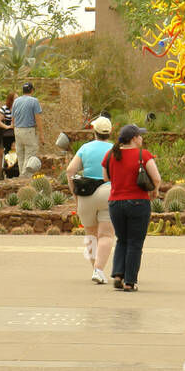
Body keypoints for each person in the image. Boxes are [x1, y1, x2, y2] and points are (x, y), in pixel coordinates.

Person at [102, 123, 161, 292]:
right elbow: (156, 178)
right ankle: (130, 281)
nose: (142, 138)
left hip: (115, 202)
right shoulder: (143, 155)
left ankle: (118, 274)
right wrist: (154, 192)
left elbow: (106, 177)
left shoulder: (111, 154)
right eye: (140, 136)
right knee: (135, 242)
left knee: (122, 239)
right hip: (137, 202)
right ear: (134, 138)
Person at [65, 116, 115, 284]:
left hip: (86, 194)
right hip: (108, 191)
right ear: (110, 132)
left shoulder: (85, 148)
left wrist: (75, 195)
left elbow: (70, 170)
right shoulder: (115, 149)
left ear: (94, 131)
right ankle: (99, 269)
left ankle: (94, 268)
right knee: (106, 234)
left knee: (91, 235)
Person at [11, 83, 44, 175]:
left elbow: (13, 118)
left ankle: (21, 179)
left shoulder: (16, 101)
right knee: (30, 155)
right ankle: (25, 179)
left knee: (20, 155)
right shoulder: (34, 101)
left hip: (17, 130)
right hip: (28, 130)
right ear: (32, 90)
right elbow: (38, 118)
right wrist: (41, 134)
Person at [0, 92, 16, 178]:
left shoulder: (18, 108)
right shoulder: (4, 108)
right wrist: (7, 127)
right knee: (7, 151)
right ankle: (5, 170)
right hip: (8, 133)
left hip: (17, 132)